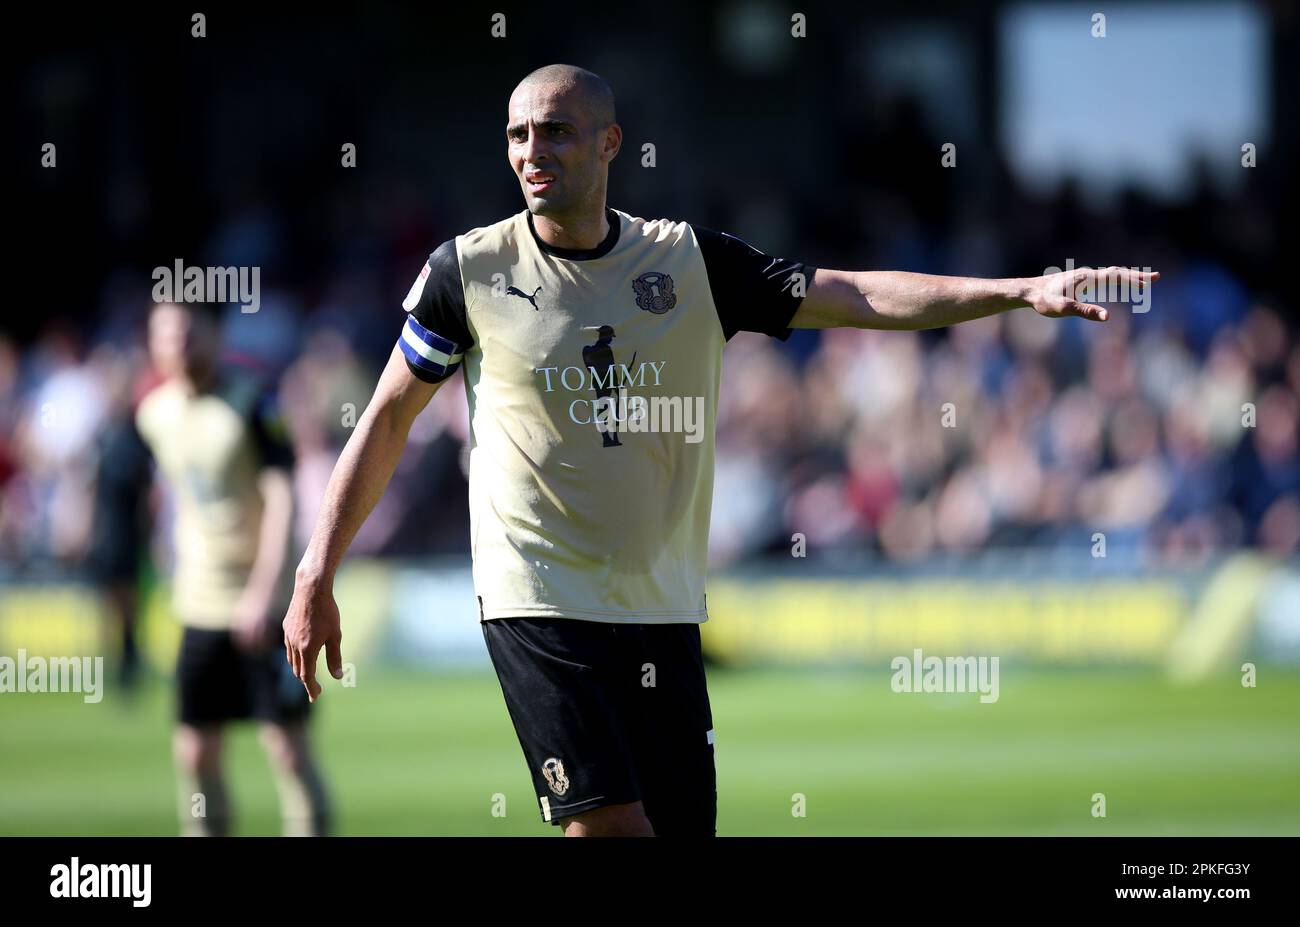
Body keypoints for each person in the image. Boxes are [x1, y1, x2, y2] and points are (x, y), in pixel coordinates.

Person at [282, 63, 1157, 836]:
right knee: (613, 825)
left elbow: (853, 294)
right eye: (517, 133)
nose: (530, 149)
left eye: (555, 129)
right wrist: (317, 569)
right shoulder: (465, 272)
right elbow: (387, 419)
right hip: (536, 596)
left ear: (610, 142)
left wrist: (1019, 290)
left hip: (661, 604)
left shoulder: (691, 263)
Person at [137, 300, 331, 836]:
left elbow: (283, 500)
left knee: (287, 749)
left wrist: (265, 594)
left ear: (214, 333)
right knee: (196, 753)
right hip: (198, 605)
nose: (177, 344)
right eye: (165, 334)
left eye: (187, 332)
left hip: (259, 606)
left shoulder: (253, 400)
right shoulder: (152, 414)